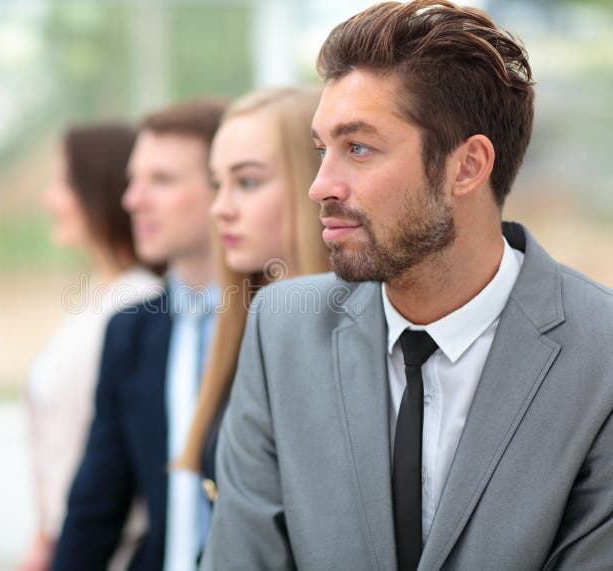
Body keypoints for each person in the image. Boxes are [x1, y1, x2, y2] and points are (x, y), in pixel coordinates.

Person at [202, 2, 613, 570]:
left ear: (467, 167)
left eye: (359, 148)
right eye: (323, 150)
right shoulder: (281, 330)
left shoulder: (603, 355)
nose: (320, 184)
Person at [51, 98, 227, 571]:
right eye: (133, 181)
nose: (133, 200)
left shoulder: (273, 326)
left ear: (223, 188)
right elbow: (95, 503)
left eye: (162, 181)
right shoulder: (129, 331)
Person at [174, 87, 330, 497]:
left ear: (313, 183)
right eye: (216, 184)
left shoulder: (358, 343)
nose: (220, 208)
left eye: (246, 181)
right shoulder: (242, 325)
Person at [22, 125, 161, 571]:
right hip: (73, 541)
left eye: (64, 182)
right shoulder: (99, 298)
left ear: (97, 187)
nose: (50, 200)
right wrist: (46, 538)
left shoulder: (137, 308)